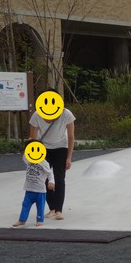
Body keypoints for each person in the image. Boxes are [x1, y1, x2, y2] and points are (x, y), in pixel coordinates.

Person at [29, 90, 76, 220]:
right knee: (43, 179)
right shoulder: (37, 115)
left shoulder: (66, 114)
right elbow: (33, 137)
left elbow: (71, 136)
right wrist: (33, 156)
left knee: (59, 179)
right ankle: (52, 208)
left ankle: (59, 210)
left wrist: (69, 157)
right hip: (43, 149)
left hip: (61, 148)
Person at [12, 152, 55, 228]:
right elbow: (24, 157)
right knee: (25, 206)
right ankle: (22, 220)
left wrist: (51, 182)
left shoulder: (44, 163)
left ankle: (40, 220)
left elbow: (50, 173)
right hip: (29, 190)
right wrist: (28, 149)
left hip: (40, 191)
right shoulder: (29, 160)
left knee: (40, 207)